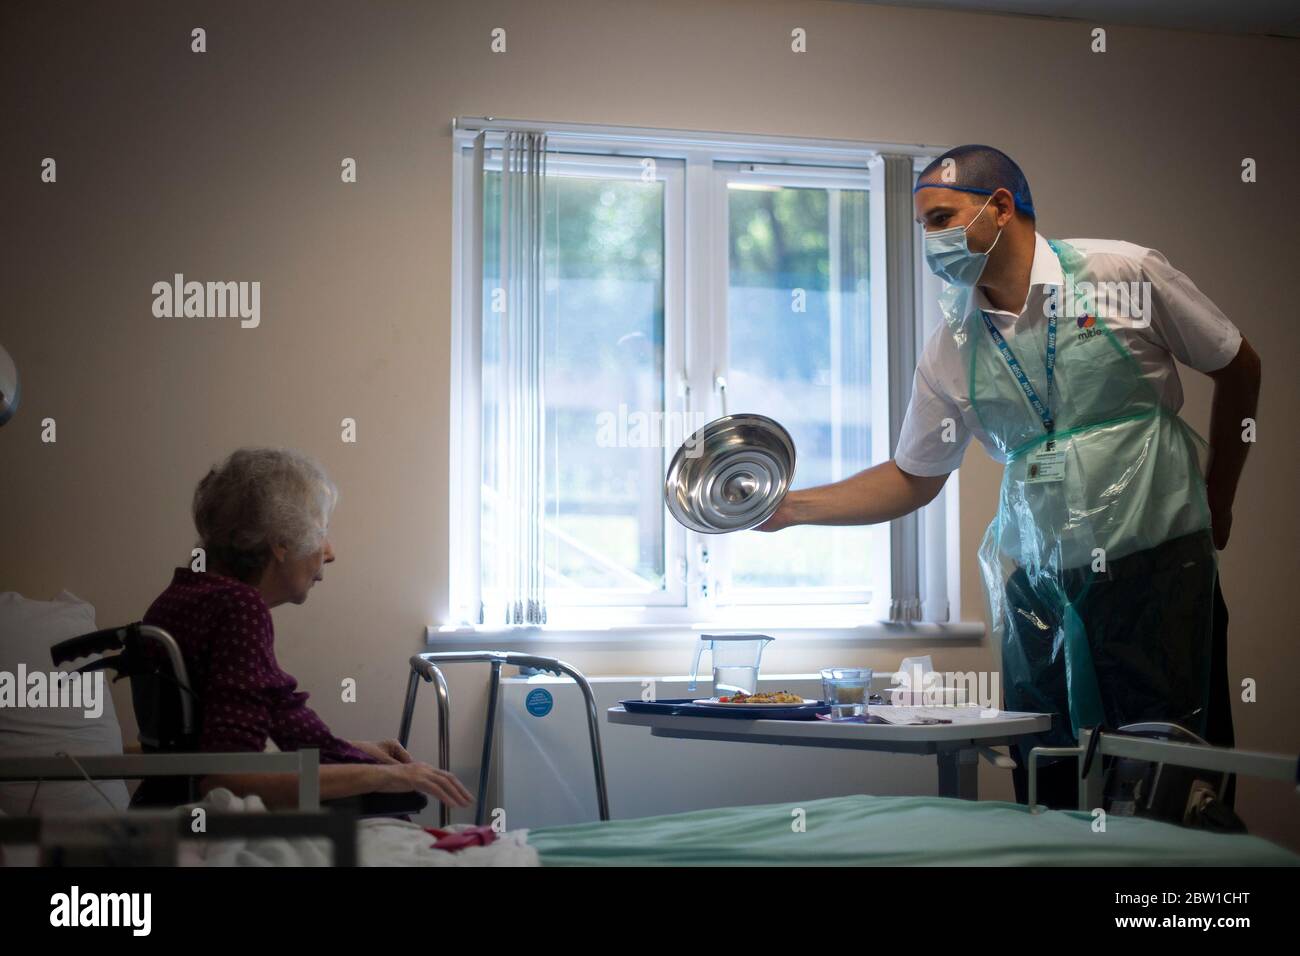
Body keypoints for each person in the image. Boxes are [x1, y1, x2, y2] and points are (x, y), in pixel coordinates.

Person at [759, 145, 1260, 809]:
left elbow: (1237, 363)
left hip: (1158, 572)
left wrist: (1219, 500)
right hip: (1040, 594)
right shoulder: (952, 345)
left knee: (1171, 778)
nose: (932, 241)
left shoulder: (1122, 275)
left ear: (1000, 208)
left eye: (943, 218)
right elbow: (915, 475)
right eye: (923, 227)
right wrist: (794, 508)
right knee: (1047, 777)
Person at [143, 447, 474, 811]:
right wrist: (387, 776)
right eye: (320, 530)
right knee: (406, 802)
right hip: (210, 830)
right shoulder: (239, 609)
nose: (329, 551)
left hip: (165, 809)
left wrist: (356, 753)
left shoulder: (182, 596)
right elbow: (229, 781)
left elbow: (255, 733)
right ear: (282, 542)